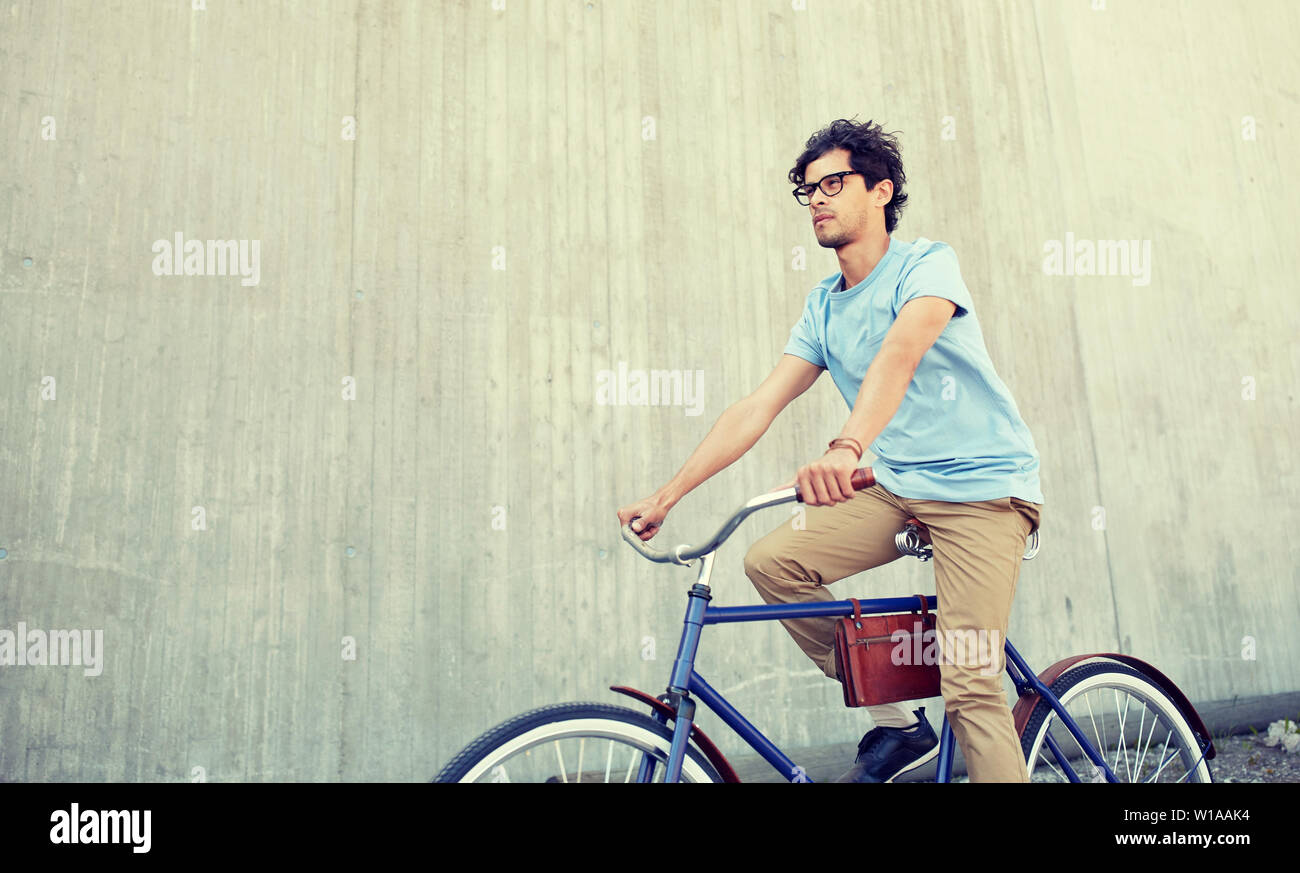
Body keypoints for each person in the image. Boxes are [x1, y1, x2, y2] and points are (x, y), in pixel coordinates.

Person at [616, 118, 1043, 783]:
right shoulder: (823, 306)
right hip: (900, 486)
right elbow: (758, 405)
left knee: (970, 685)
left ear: (881, 189)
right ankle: (900, 726)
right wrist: (667, 495)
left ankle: (959, 681)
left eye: (833, 183)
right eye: (807, 189)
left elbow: (900, 354)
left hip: (983, 491)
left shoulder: (927, 265)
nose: (816, 198)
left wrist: (847, 446)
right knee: (773, 562)